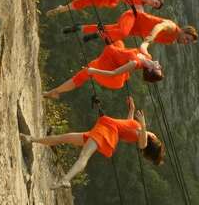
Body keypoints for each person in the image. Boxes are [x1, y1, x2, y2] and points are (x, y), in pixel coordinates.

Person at [24, 97, 164, 187]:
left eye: (154, 136)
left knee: (84, 155)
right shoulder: (138, 131)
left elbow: (142, 145)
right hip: (104, 128)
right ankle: (32, 139)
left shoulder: (142, 137)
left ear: (151, 139)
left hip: (106, 132)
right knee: (65, 138)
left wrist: (144, 124)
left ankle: (65, 179)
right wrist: (131, 109)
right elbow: (127, 124)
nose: (153, 133)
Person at [43, 41, 163, 99]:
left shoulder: (134, 63)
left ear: (150, 69)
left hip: (107, 67)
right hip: (112, 55)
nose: (160, 66)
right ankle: (54, 92)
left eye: (158, 69)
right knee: (117, 40)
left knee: (83, 75)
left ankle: (54, 92)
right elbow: (145, 42)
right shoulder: (147, 56)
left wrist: (94, 71)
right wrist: (159, 28)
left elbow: (113, 73)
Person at [81, 9, 199, 48]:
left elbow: (154, 37)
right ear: (184, 31)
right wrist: (150, 38)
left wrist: (145, 49)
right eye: (187, 38)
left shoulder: (170, 40)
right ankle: (96, 34)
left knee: (111, 30)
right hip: (133, 16)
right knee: (122, 33)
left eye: (188, 42)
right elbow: (160, 26)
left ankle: (80, 28)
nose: (186, 42)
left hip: (134, 29)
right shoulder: (172, 27)